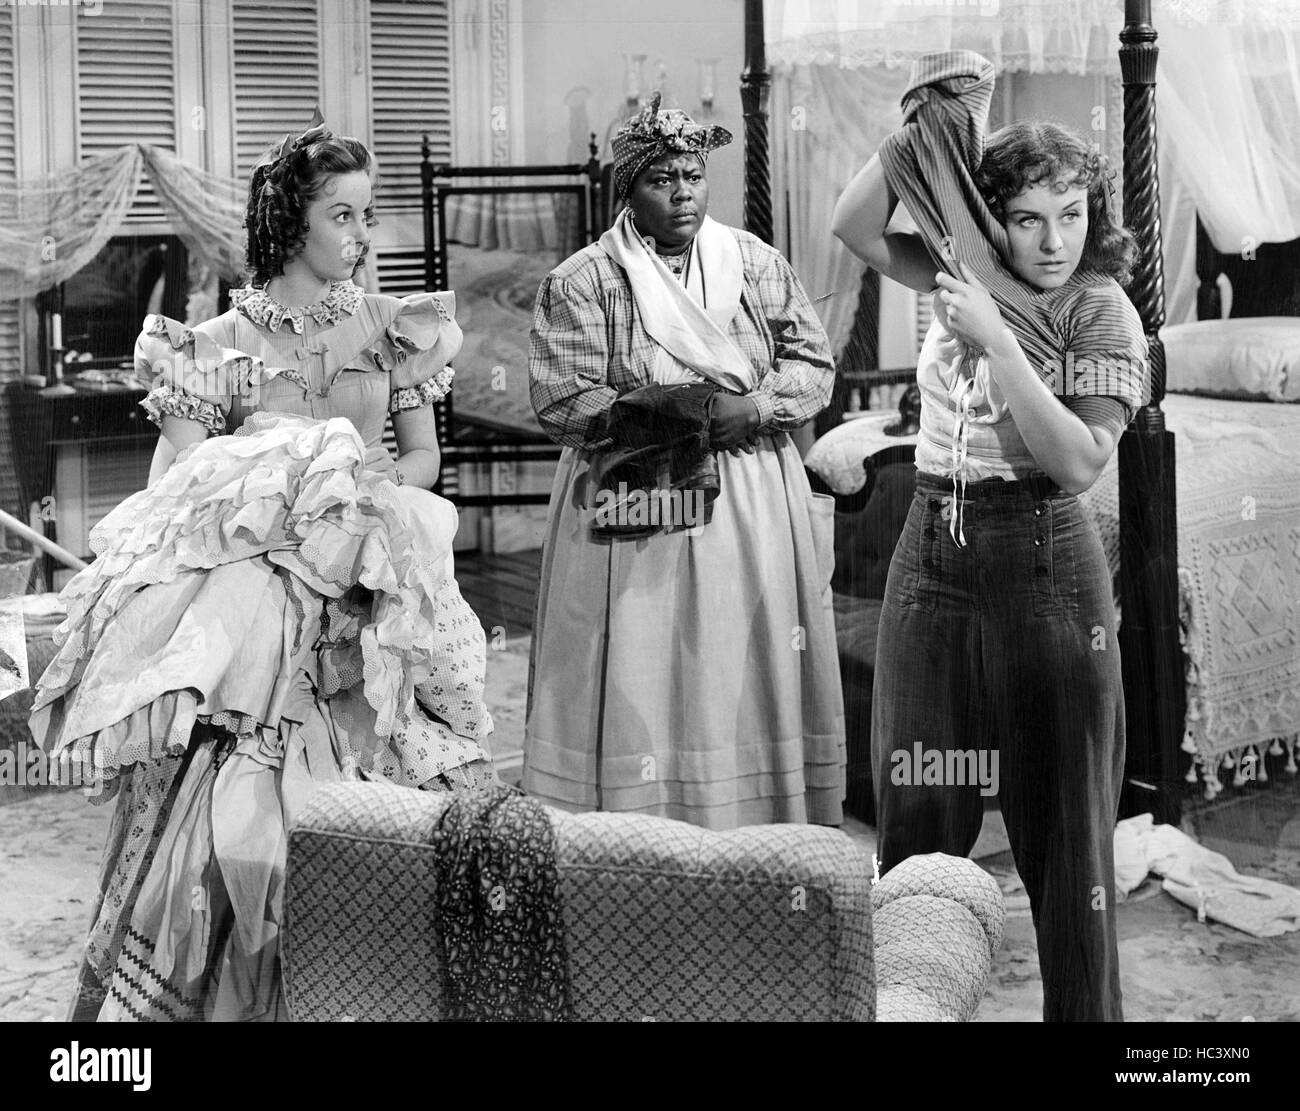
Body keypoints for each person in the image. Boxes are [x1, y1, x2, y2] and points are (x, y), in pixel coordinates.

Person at [30, 116, 496, 1022]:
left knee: (384, 800)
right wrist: (285, 497)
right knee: (240, 816)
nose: (363, 238)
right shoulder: (213, 347)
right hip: (258, 598)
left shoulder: (395, 327)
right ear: (293, 224)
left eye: (367, 216)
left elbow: (422, 461)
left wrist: (353, 498)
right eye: (344, 217)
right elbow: (187, 489)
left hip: (372, 573)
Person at [832, 52, 1147, 1022]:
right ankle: (914, 1007)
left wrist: (1001, 341)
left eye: (1072, 214)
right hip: (930, 554)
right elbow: (850, 224)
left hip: (1045, 566)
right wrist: (926, 130)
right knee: (917, 822)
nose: (1054, 240)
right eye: (1026, 217)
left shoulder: (1096, 307)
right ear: (989, 218)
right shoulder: (958, 274)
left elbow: (1082, 462)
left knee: (1066, 848)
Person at [523, 93, 845, 830]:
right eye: (661, 179)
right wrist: (668, 411)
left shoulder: (756, 264)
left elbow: (813, 364)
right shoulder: (583, 281)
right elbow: (561, 398)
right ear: (628, 190)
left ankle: (751, 825)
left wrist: (757, 407)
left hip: (749, 492)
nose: (682, 193)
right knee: (643, 653)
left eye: (693, 176)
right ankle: (635, 828)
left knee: (738, 655)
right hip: (633, 494)